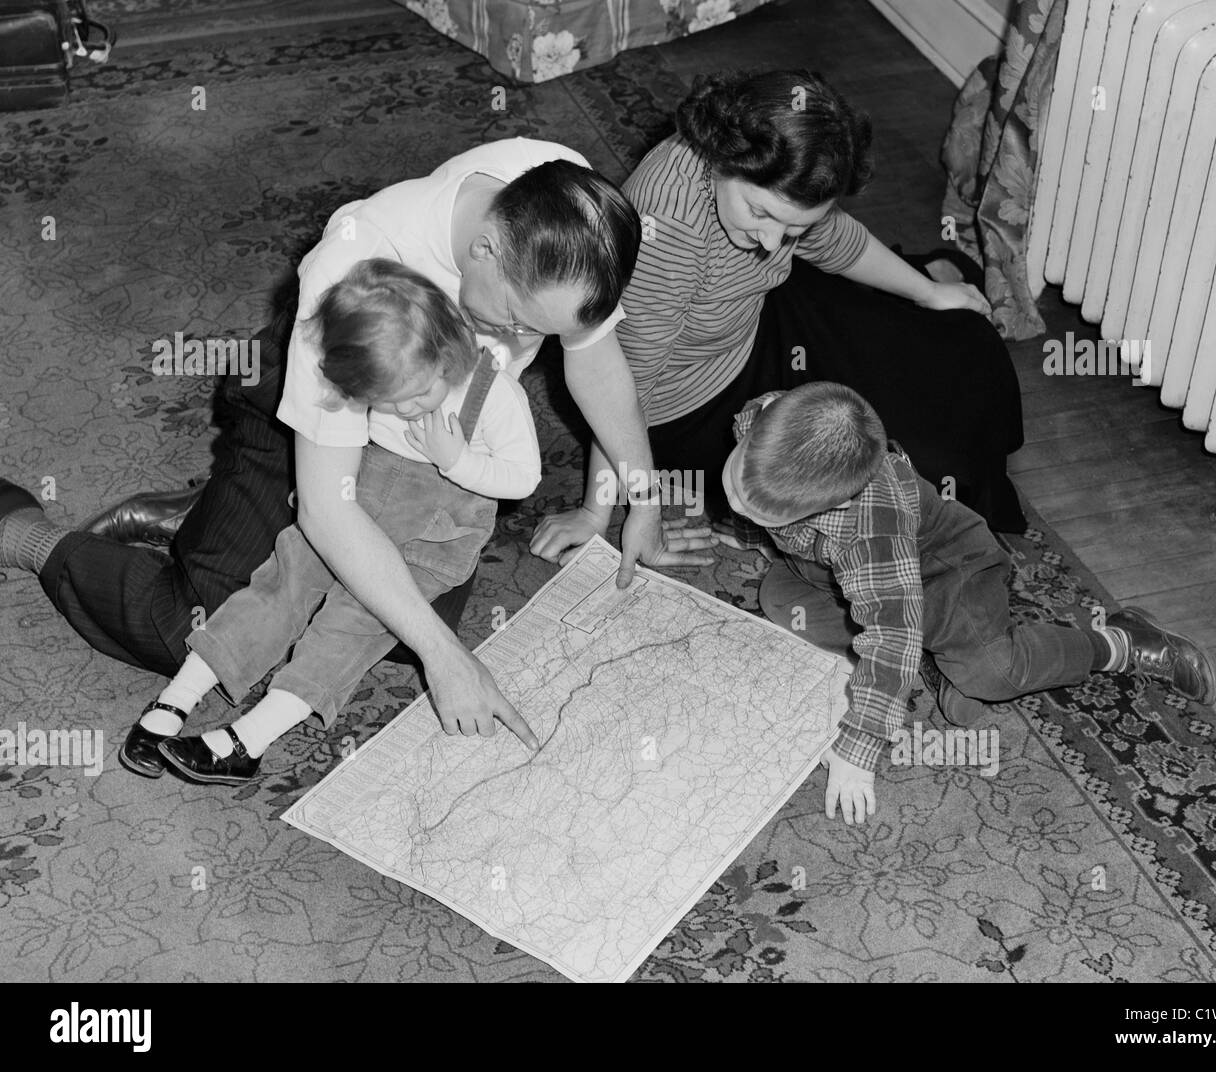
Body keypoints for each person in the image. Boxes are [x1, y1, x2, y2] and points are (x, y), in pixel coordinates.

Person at [0, 138, 715, 741]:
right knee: (189, 632)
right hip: (316, 404)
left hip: (415, 450)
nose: (530, 342)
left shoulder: (571, 215)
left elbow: (594, 359)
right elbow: (331, 509)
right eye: (522, 321)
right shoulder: (357, 262)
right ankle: (27, 532)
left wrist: (642, 498)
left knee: (390, 616)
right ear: (488, 248)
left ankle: (215, 512)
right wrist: (449, 659)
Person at [532, 68, 1027, 571]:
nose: (772, 242)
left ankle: (926, 272)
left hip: (757, 316)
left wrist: (929, 293)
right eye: (760, 214)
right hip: (689, 406)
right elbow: (620, 381)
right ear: (723, 160)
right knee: (906, 477)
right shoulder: (669, 229)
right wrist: (601, 510)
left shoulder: (778, 188)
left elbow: (833, 240)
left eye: (794, 228)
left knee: (960, 345)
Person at [120, 259, 540, 784]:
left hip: (428, 540)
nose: (404, 410)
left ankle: (247, 741)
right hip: (359, 503)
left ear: (446, 351)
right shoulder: (381, 369)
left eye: (413, 397)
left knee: (347, 628)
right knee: (277, 585)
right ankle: (178, 698)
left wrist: (458, 460)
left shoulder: (494, 394)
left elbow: (525, 478)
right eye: (384, 402)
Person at [718, 383, 1216, 826]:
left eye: (753, 506)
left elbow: (891, 637)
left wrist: (857, 750)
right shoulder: (768, 421)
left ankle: (1120, 641)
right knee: (779, 599)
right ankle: (934, 662)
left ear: (836, 504)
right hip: (842, 576)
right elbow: (755, 482)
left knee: (993, 673)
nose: (736, 501)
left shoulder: (872, 529)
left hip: (947, 577)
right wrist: (751, 529)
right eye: (737, 475)